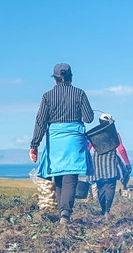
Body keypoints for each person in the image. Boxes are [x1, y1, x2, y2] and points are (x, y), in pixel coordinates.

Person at [30, 63, 94, 224]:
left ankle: (62, 213)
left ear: (56, 79)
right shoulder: (79, 93)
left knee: (58, 177)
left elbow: (40, 122)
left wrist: (34, 145)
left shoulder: (47, 96)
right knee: (70, 177)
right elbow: (89, 118)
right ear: (71, 77)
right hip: (74, 141)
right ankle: (65, 213)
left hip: (55, 142)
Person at [88, 113, 132, 216]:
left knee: (100, 185)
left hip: (96, 160)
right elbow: (121, 149)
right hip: (111, 159)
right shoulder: (114, 133)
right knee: (110, 185)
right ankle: (107, 211)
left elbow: (88, 148)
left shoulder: (94, 134)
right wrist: (127, 163)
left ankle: (104, 210)